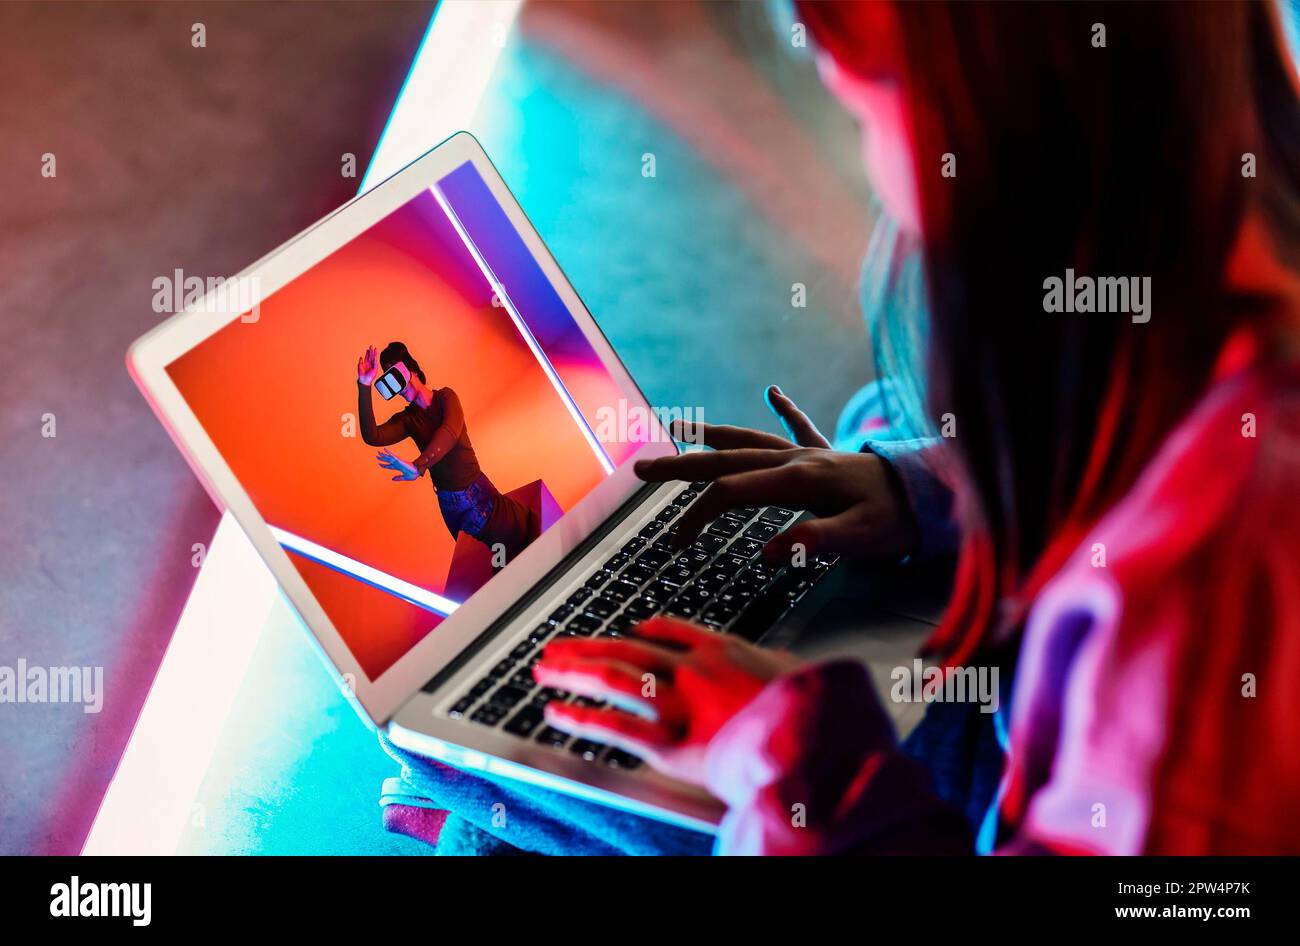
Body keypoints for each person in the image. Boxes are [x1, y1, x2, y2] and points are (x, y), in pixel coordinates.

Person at [531, 1, 1300, 854]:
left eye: (865, 111)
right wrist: (930, 486)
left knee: (497, 770)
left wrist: (792, 758)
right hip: (1021, 728)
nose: (879, 178)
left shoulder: (1200, 588)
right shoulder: (1233, 242)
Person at [356, 341, 536, 562]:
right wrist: (364, 386)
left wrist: (418, 466)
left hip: (477, 492)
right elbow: (372, 436)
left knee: (525, 531)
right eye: (386, 377)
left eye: (393, 372)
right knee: (487, 562)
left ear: (410, 370)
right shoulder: (407, 420)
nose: (392, 382)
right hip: (448, 504)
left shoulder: (445, 398)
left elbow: (449, 431)